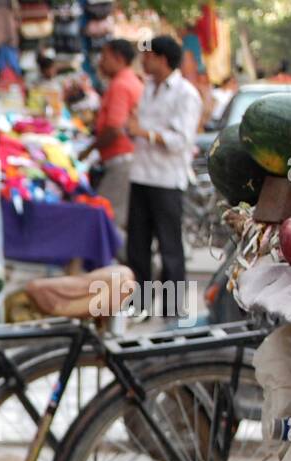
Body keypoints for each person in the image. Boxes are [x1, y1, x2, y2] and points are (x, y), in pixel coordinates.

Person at [124, 34, 201, 317]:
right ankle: (140, 305)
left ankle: (172, 310)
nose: (143, 60)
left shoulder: (185, 94)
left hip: (167, 179)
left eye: (148, 55)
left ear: (162, 59)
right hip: (141, 174)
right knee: (137, 245)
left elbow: (182, 139)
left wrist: (143, 132)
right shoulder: (148, 89)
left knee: (169, 247)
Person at [79, 38, 142, 236]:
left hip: (120, 160)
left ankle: (114, 265)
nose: (100, 62)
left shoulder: (121, 85)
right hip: (124, 158)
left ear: (119, 58)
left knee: (107, 217)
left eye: (104, 57)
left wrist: (90, 149)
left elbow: (115, 128)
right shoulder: (131, 81)